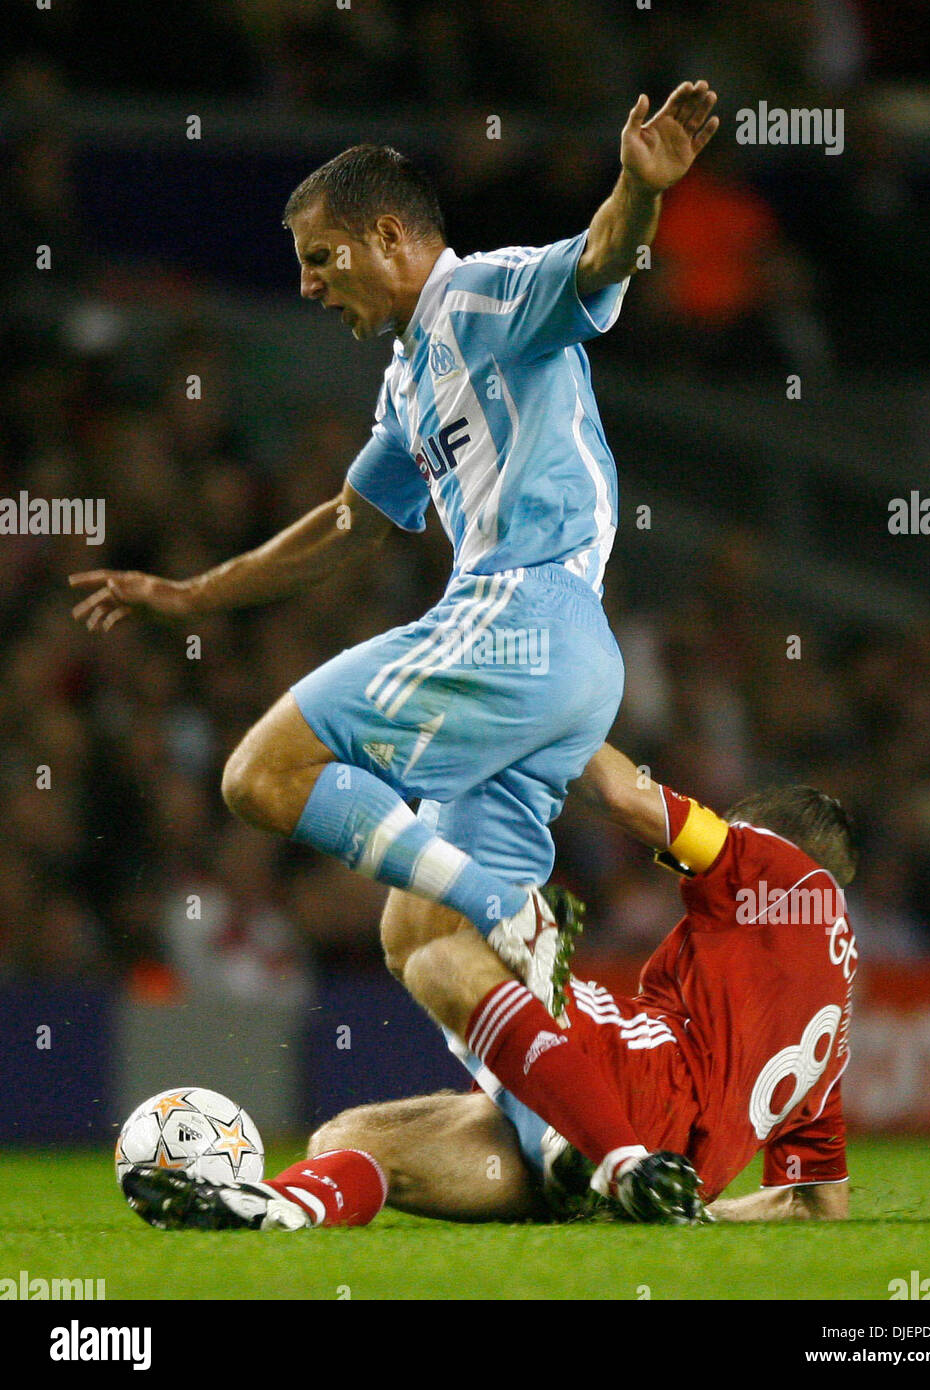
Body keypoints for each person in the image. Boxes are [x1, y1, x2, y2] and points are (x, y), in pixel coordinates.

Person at [71, 84, 722, 1212]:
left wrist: (637, 190)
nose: (310, 285)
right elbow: (347, 524)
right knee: (420, 927)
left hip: (524, 616)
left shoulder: (478, 295)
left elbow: (596, 268)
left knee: (262, 773)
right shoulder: (413, 372)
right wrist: (194, 592)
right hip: (565, 669)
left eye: (323, 258)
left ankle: (514, 913)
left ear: (388, 235)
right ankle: (599, 1156)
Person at [123, 742, 858, 1231]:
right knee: (350, 1141)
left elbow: (623, 795)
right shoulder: (832, 1020)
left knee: (431, 947)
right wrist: (696, 1206)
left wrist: (541, 704)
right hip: (668, 1169)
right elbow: (819, 1204)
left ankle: (603, 1145)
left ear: (762, 833)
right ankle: (280, 1207)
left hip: (641, 1083)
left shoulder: (769, 860)